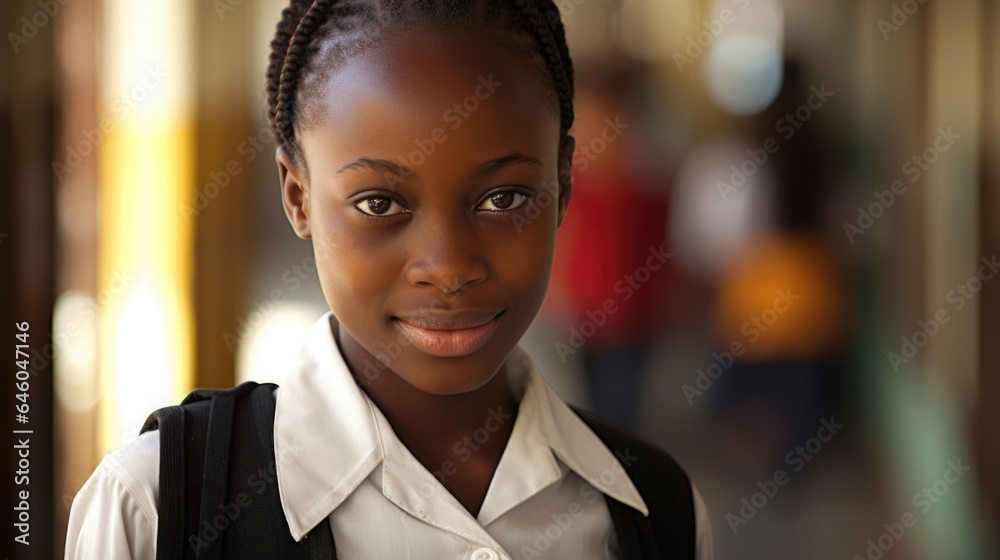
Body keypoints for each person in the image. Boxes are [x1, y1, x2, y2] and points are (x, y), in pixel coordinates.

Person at [65, 1, 713, 558]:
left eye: (505, 199)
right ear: (298, 196)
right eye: (379, 204)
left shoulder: (656, 513)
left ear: (562, 183)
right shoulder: (156, 509)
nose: (450, 267)